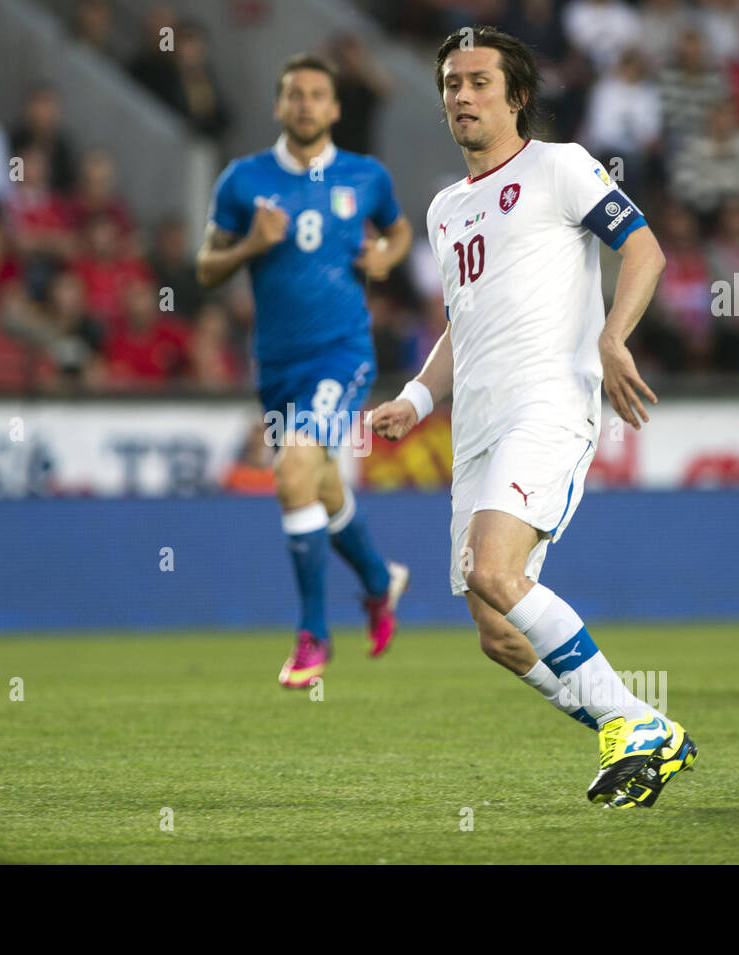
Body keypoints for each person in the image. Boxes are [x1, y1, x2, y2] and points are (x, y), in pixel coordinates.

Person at [367, 27, 697, 810]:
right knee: (496, 629)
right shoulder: (447, 208)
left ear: (516, 97)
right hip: (475, 422)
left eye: (479, 81)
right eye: (451, 82)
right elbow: (462, 322)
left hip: (549, 397)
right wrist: (415, 399)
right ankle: (649, 728)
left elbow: (644, 250)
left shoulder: (562, 165)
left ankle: (631, 722)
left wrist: (613, 335)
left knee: (494, 569)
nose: (461, 96)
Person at [196, 53, 413, 688]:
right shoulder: (243, 181)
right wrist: (250, 246)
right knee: (318, 485)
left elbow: (398, 234)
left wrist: (383, 258)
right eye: (294, 94)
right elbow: (206, 268)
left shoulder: (365, 176)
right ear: (278, 105)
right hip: (277, 365)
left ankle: (313, 636)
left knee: (292, 470)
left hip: (342, 353)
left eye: (318, 94)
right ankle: (379, 579)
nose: (306, 105)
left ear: (335, 108)